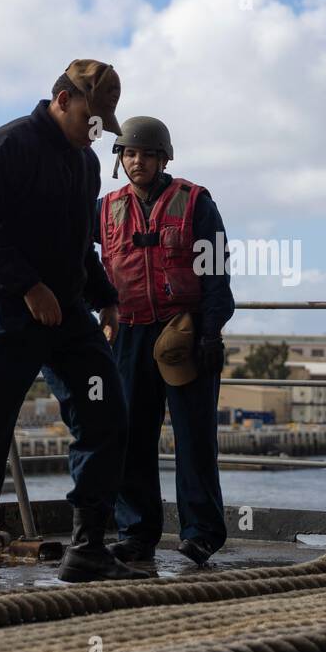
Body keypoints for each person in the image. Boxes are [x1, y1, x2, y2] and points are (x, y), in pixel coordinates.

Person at [0, 59, 145, 594]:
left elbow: (78, 244)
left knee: (107, 413)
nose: (96, 132)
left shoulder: (85, 162)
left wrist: (105, 298)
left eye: (103, 124)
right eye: (91, 117)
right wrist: (27, 286)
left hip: (67, 312)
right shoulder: (6, 146)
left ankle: (87, 549)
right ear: (63, 99)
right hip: (6, 309)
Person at [96, 116, 235, 566]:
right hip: (128, 334)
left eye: (147, 154)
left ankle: (201, 534)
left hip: (183, 333)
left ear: (163, 158)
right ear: (120, 159)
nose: (137, 161)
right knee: (131, 436)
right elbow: (78, 259)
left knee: (194, 438)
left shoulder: (196, 204)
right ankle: (136, 533)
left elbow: (215, 272)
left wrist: (212, 333)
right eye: (130, 153)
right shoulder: (104, 208)